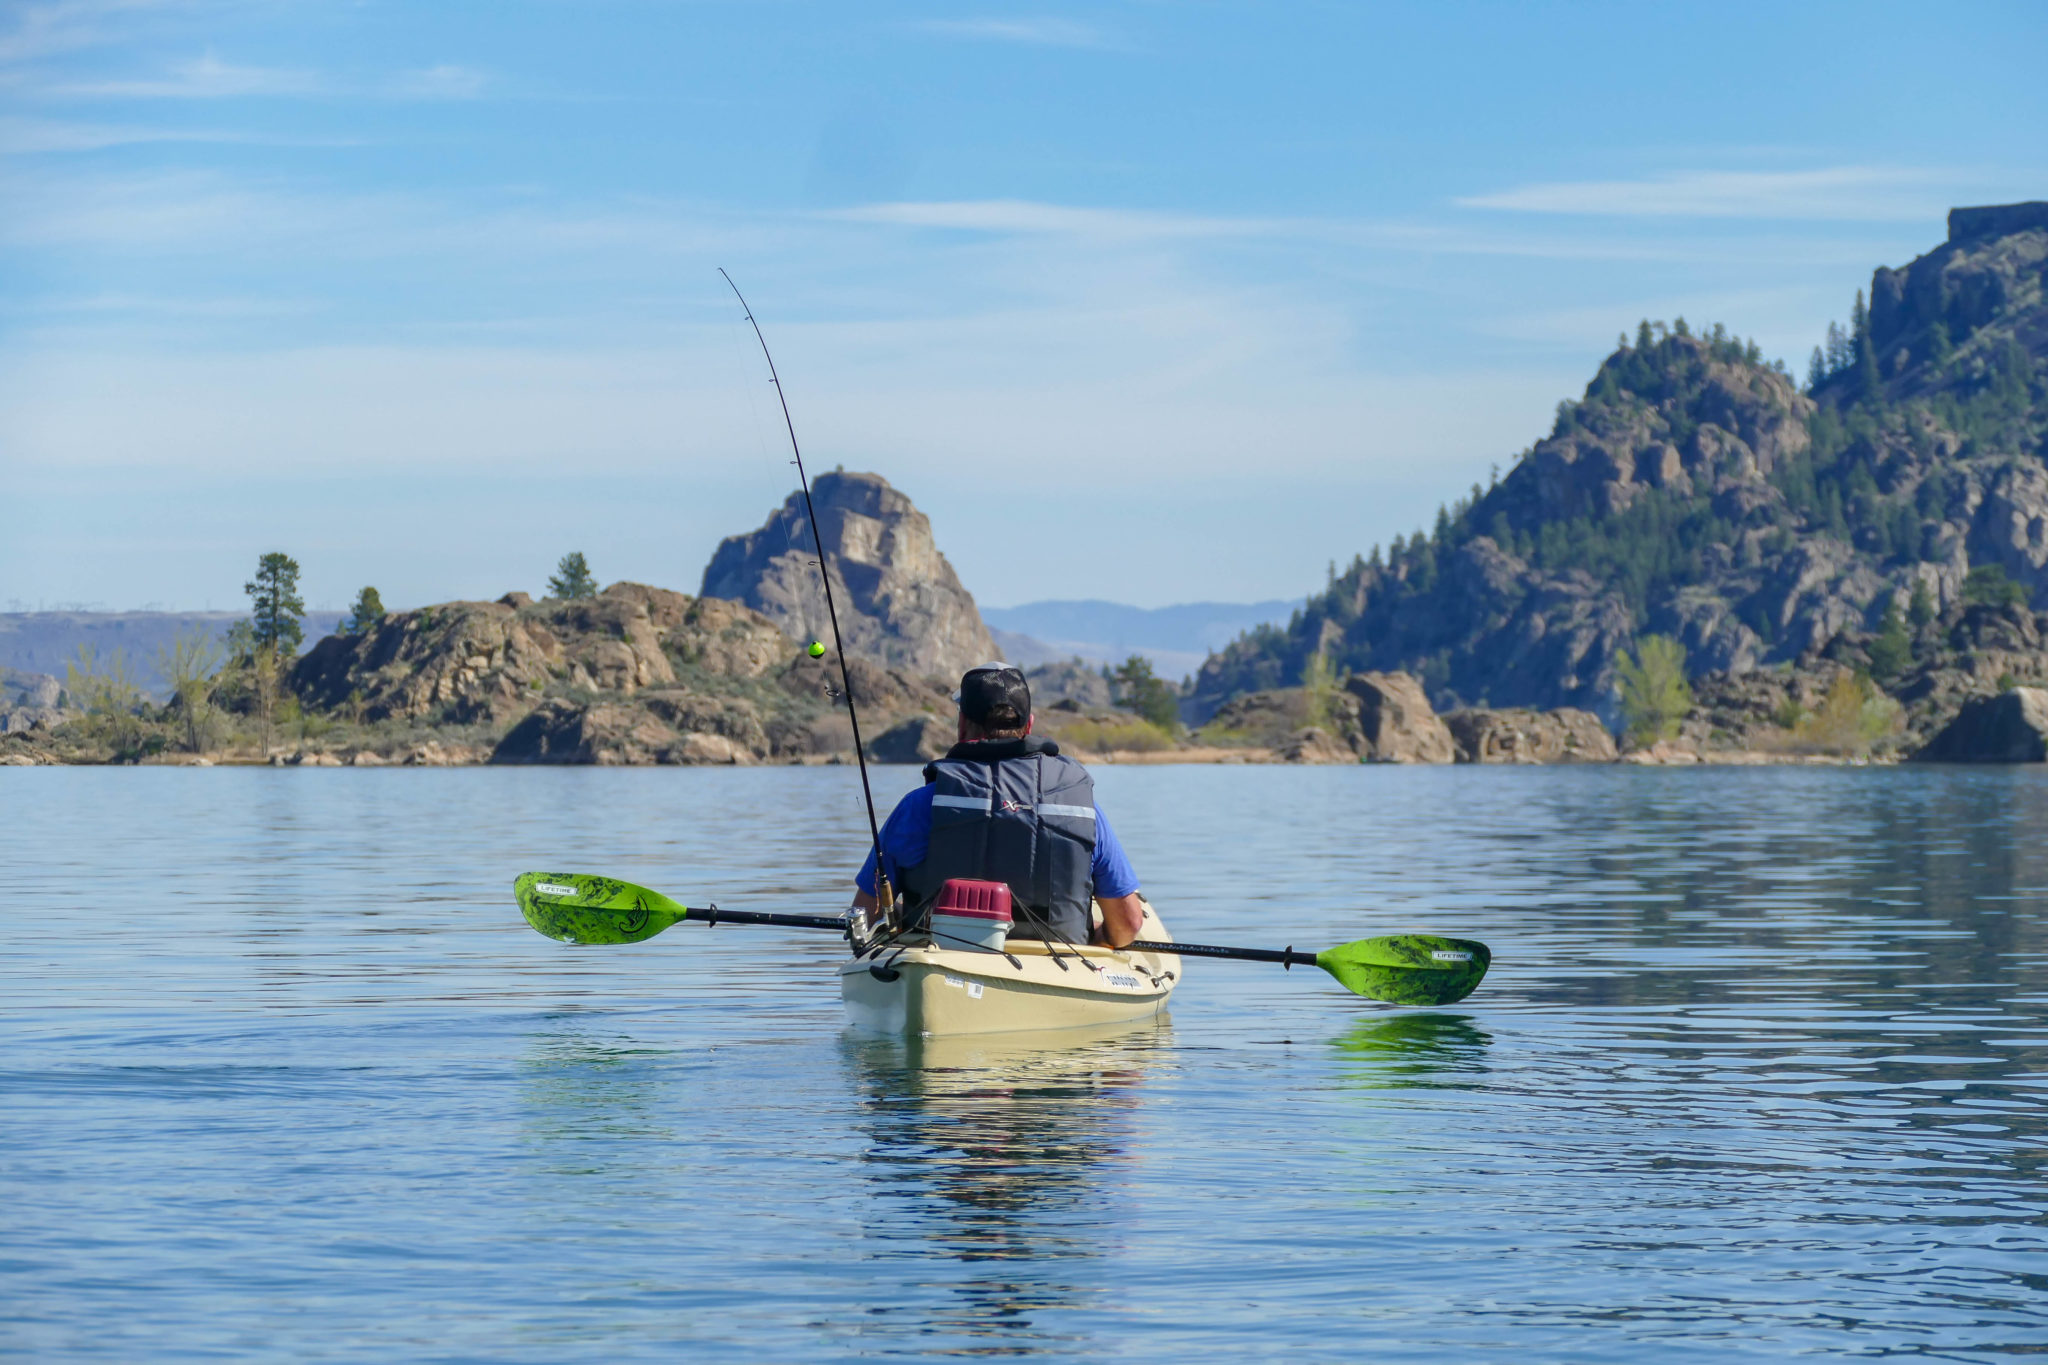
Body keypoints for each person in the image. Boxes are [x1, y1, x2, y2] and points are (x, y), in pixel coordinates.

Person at [853, 662, 1148, 948]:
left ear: (962, 725)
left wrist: (906, 916)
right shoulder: (1082, 809)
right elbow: (1129, 925)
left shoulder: (918, 806)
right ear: (1029, 725)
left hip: (940, 960)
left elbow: (864, 915)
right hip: (1060, 965)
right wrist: (1098, 936)